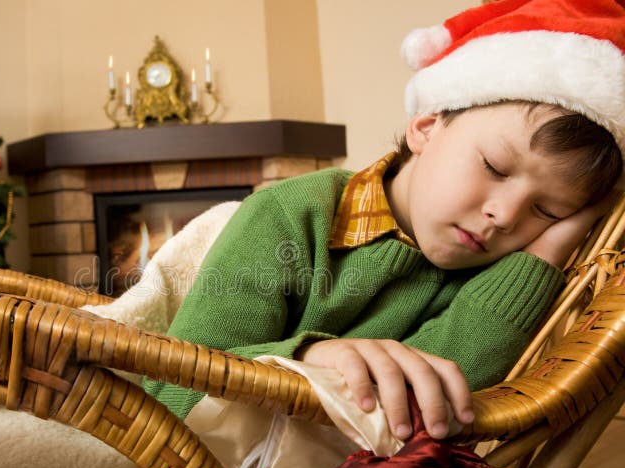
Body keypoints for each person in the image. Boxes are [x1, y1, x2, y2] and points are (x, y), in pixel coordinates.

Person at [144, 0, 625, 442]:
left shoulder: (495, 271)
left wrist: (544, 254)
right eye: (494, 168)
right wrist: (302, 362)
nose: (504, 215)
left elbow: (432, 409)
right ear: (426, 127)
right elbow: (172, 394)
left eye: (548, 209)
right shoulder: (292, 214)